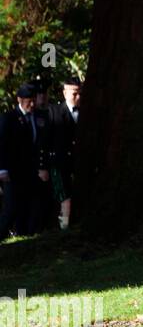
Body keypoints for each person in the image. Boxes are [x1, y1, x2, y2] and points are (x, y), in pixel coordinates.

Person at [0, 83, 52, 236]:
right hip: (14, 171)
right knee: (11, 208)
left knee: (30, 206)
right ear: (19, 100)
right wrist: (2, 169)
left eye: (34, 99)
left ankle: (25, 236)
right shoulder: (9, 118)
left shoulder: (40, 117)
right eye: (28, 100)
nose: (32, 103)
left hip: (32, 170)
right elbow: (2, 144)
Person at [46, 78, 81, 230]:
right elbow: (46, 140)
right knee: (64, 198)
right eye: (74, 94)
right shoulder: (54, 112)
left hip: (78, 162)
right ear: (65, 93)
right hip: (60, 163)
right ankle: (64, 227)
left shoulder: (87, 111)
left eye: (80, 93)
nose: (78, 97)